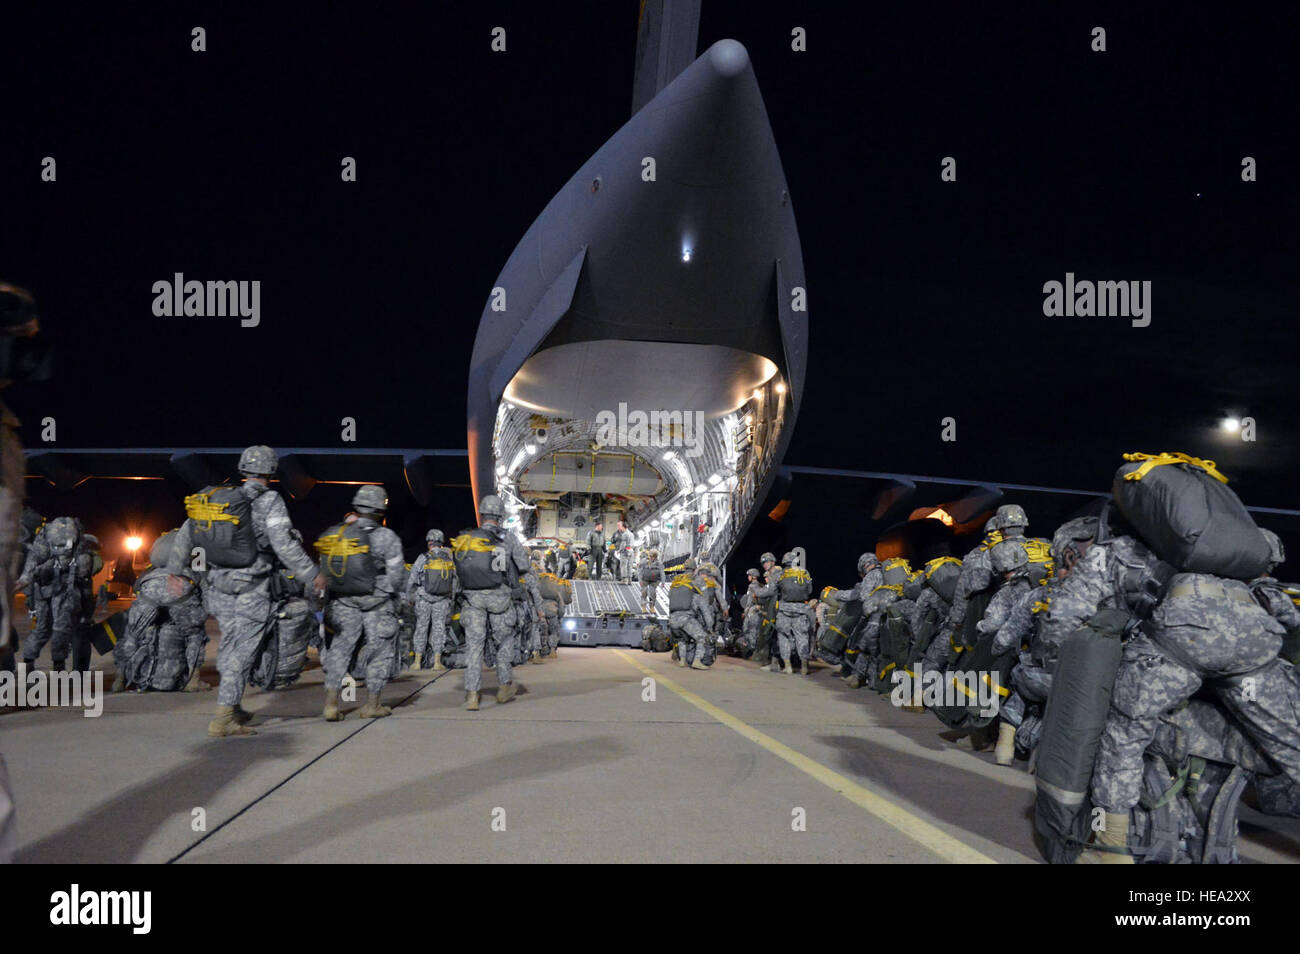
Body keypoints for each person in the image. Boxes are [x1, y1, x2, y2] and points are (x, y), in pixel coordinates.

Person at [165, 445, 327, 737]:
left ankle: (233, 705)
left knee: (230, 644)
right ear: (270, 470)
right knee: (244, 649)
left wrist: (175, 571)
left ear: (243, 468)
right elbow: (284, 544)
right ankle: (223, 718)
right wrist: (311, 573)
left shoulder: (217, 498)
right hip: (252, 586)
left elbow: (186, 533)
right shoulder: (269, 501)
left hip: (219, 586)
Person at [316, 485, 407, 720]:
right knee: (378, 651)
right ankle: (372, 705)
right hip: (376, 604)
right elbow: (397, 577)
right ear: (380, 509)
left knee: (339, 650)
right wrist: (382, 590)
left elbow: (326, 570)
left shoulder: (339, 533)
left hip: (344, 602)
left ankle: (331, 704)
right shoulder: (387, 537)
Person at [452, 495, 531, 710]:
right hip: (500, 599)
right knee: (504, 642)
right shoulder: (508, 538)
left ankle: (472, 695)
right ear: (500, 515)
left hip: (473, 599)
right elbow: (523, 566)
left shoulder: (468, 536)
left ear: (483, 514)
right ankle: (504, 687)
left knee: (474, 647)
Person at [406, 529, 456, 672]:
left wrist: (410, 596)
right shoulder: (448, 559)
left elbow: (412, 579)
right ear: (441, 542)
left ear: (429, 542)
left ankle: (417, 662)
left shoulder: (423, 558)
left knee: (421, 627)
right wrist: (450, 599)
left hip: (423, 598)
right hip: (442, 599)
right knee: (439, 628)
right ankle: (437, 662)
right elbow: (454, 581)